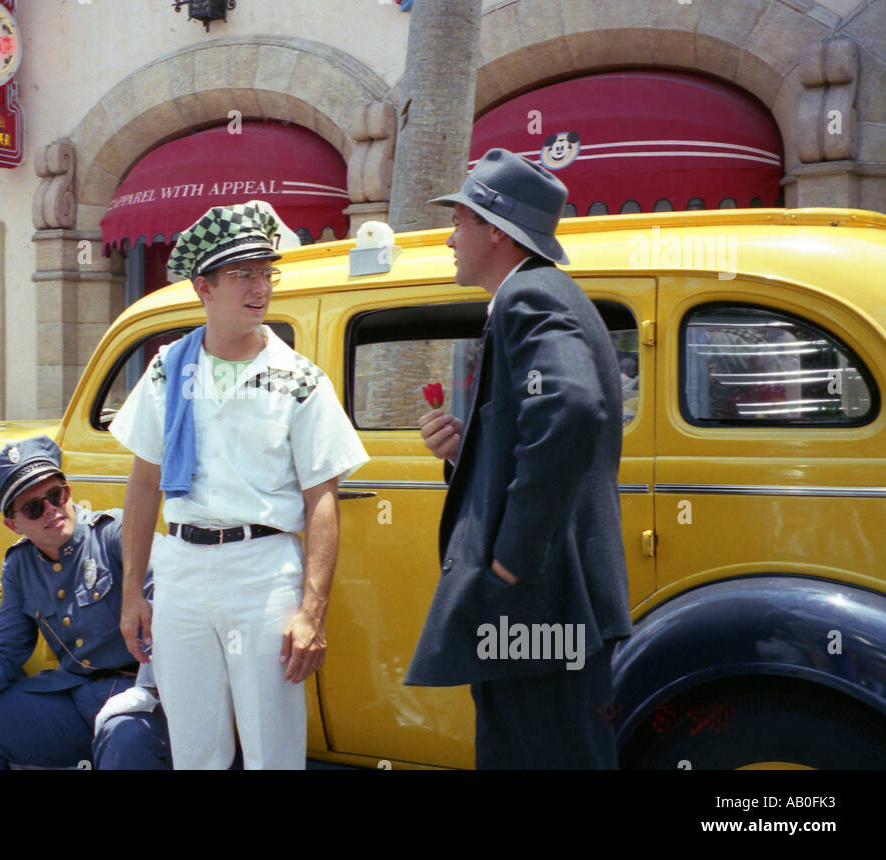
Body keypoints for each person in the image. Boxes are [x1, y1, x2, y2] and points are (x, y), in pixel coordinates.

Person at [110, 200, 369, 769]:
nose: (260, 287)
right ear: (204, 287)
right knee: (194, 750)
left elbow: (321, 498)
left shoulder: (299, 379)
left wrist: (311, 611)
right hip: (179, 568)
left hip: (263, 571)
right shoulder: (166, 369)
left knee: (272, 749)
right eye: (243, 274)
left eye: (265, 273)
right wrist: (133, 593)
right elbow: (144, 482)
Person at [403, 148, 633, 768]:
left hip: (540, 597)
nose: (450, 238)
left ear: (496, 231)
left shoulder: (527, 295)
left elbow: (573, 407)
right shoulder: (544, 293)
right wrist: (465, 457)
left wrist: (511, 557)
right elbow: (549, 423)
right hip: (551, 601)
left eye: (460, 221)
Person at [0, 436, 170, 769]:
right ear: (13, 524)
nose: (52, 510)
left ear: (68, 492)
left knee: (123, 735)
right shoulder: (20, 564)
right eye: (33, 507)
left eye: (56, 495)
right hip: (75, 699)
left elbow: (170, 604)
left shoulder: (116, 534)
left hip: (143, 695)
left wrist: (147, 688)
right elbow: (4, 649)